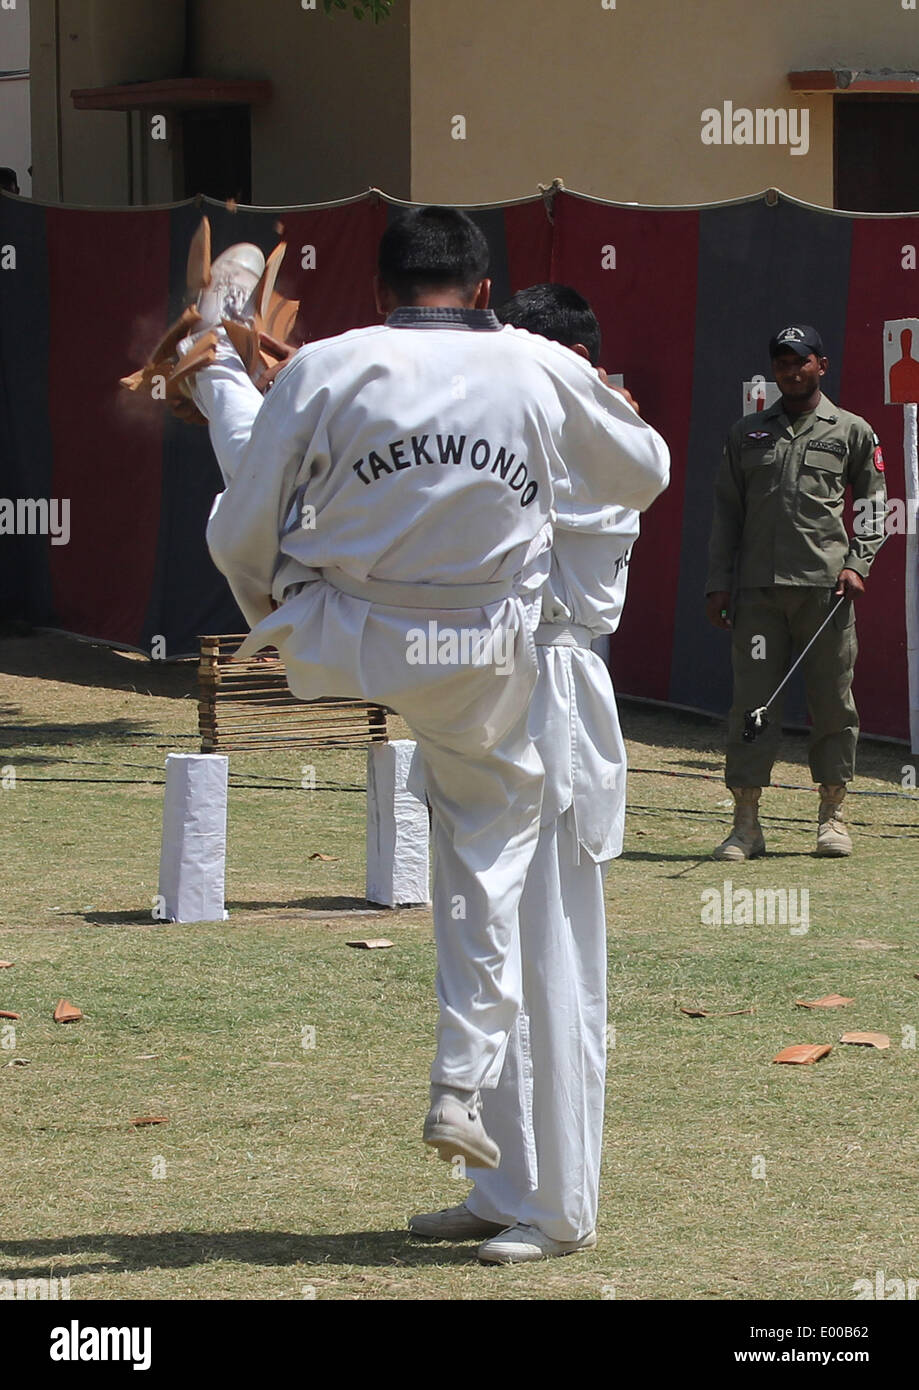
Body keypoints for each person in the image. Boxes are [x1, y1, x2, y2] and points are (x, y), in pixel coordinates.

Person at [175, 209, 670, 1194]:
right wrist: (579, 410)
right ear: (484, 295)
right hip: (493, 656)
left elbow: (240, 524)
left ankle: (212, 364)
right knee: (495, 876)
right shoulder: (539, 372)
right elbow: (646, 470)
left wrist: (274, 605)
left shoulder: (331, 365)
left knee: (490, 889)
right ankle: (465, 1091)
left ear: (375, 291)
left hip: (354, 636)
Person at [408, 283, 652, 1263]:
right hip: (482, 700)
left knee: (550, 966)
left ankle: (559, 1211)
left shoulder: (599, 445)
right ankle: (500, 1183)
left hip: (546, 697)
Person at [705, 324, 886, 860]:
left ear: (821, 365)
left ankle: (832, 816)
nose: (790, 370)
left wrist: (859, 563)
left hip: (826, 595)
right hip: (758, 596)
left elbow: (874, 504)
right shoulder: (747, 433)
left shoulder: (851, 430)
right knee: (752, 707)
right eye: (782, 362)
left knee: (832, 702)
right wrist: (719, 582)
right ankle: (746, 823)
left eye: (800, 360)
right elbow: (726, 515)